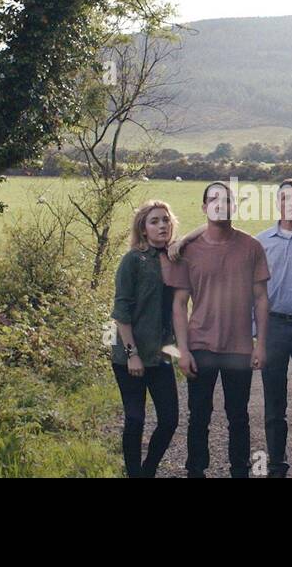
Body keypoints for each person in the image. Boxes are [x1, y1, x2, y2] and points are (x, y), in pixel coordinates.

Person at [172, 179, 292, 477]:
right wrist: (184, 349)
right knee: (257, 407)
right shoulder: (253, 242)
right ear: (277, 204)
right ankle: (269, 466)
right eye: (285, 199)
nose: (291, 205)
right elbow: (184, 300)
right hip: (243, 335)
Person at [164, 181, 271, 478]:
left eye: (225, 200)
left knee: (238, 418)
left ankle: (240, 471)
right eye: (212, 199)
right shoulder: (189, 251)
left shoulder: (252, 247)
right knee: (199, 416)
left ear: (234, 207)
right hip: (200, 346)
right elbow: (179, 304)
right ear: (204, 207)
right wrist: (182, 351)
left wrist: (260, 344)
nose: (219, 205)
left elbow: (262, 299)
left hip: (239, 348)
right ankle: (195, 470)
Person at [110, 200, 180, 478]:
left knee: (170, 420)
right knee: (135, 419)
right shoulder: (133, 260)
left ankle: (147, 471)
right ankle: (133, 473)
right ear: (143, 228)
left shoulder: (175, 259)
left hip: (161, 354)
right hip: (130, 356)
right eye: (154, 221)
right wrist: (132, 353)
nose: (162, 225)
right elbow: (121, 311)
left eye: (166, 220)